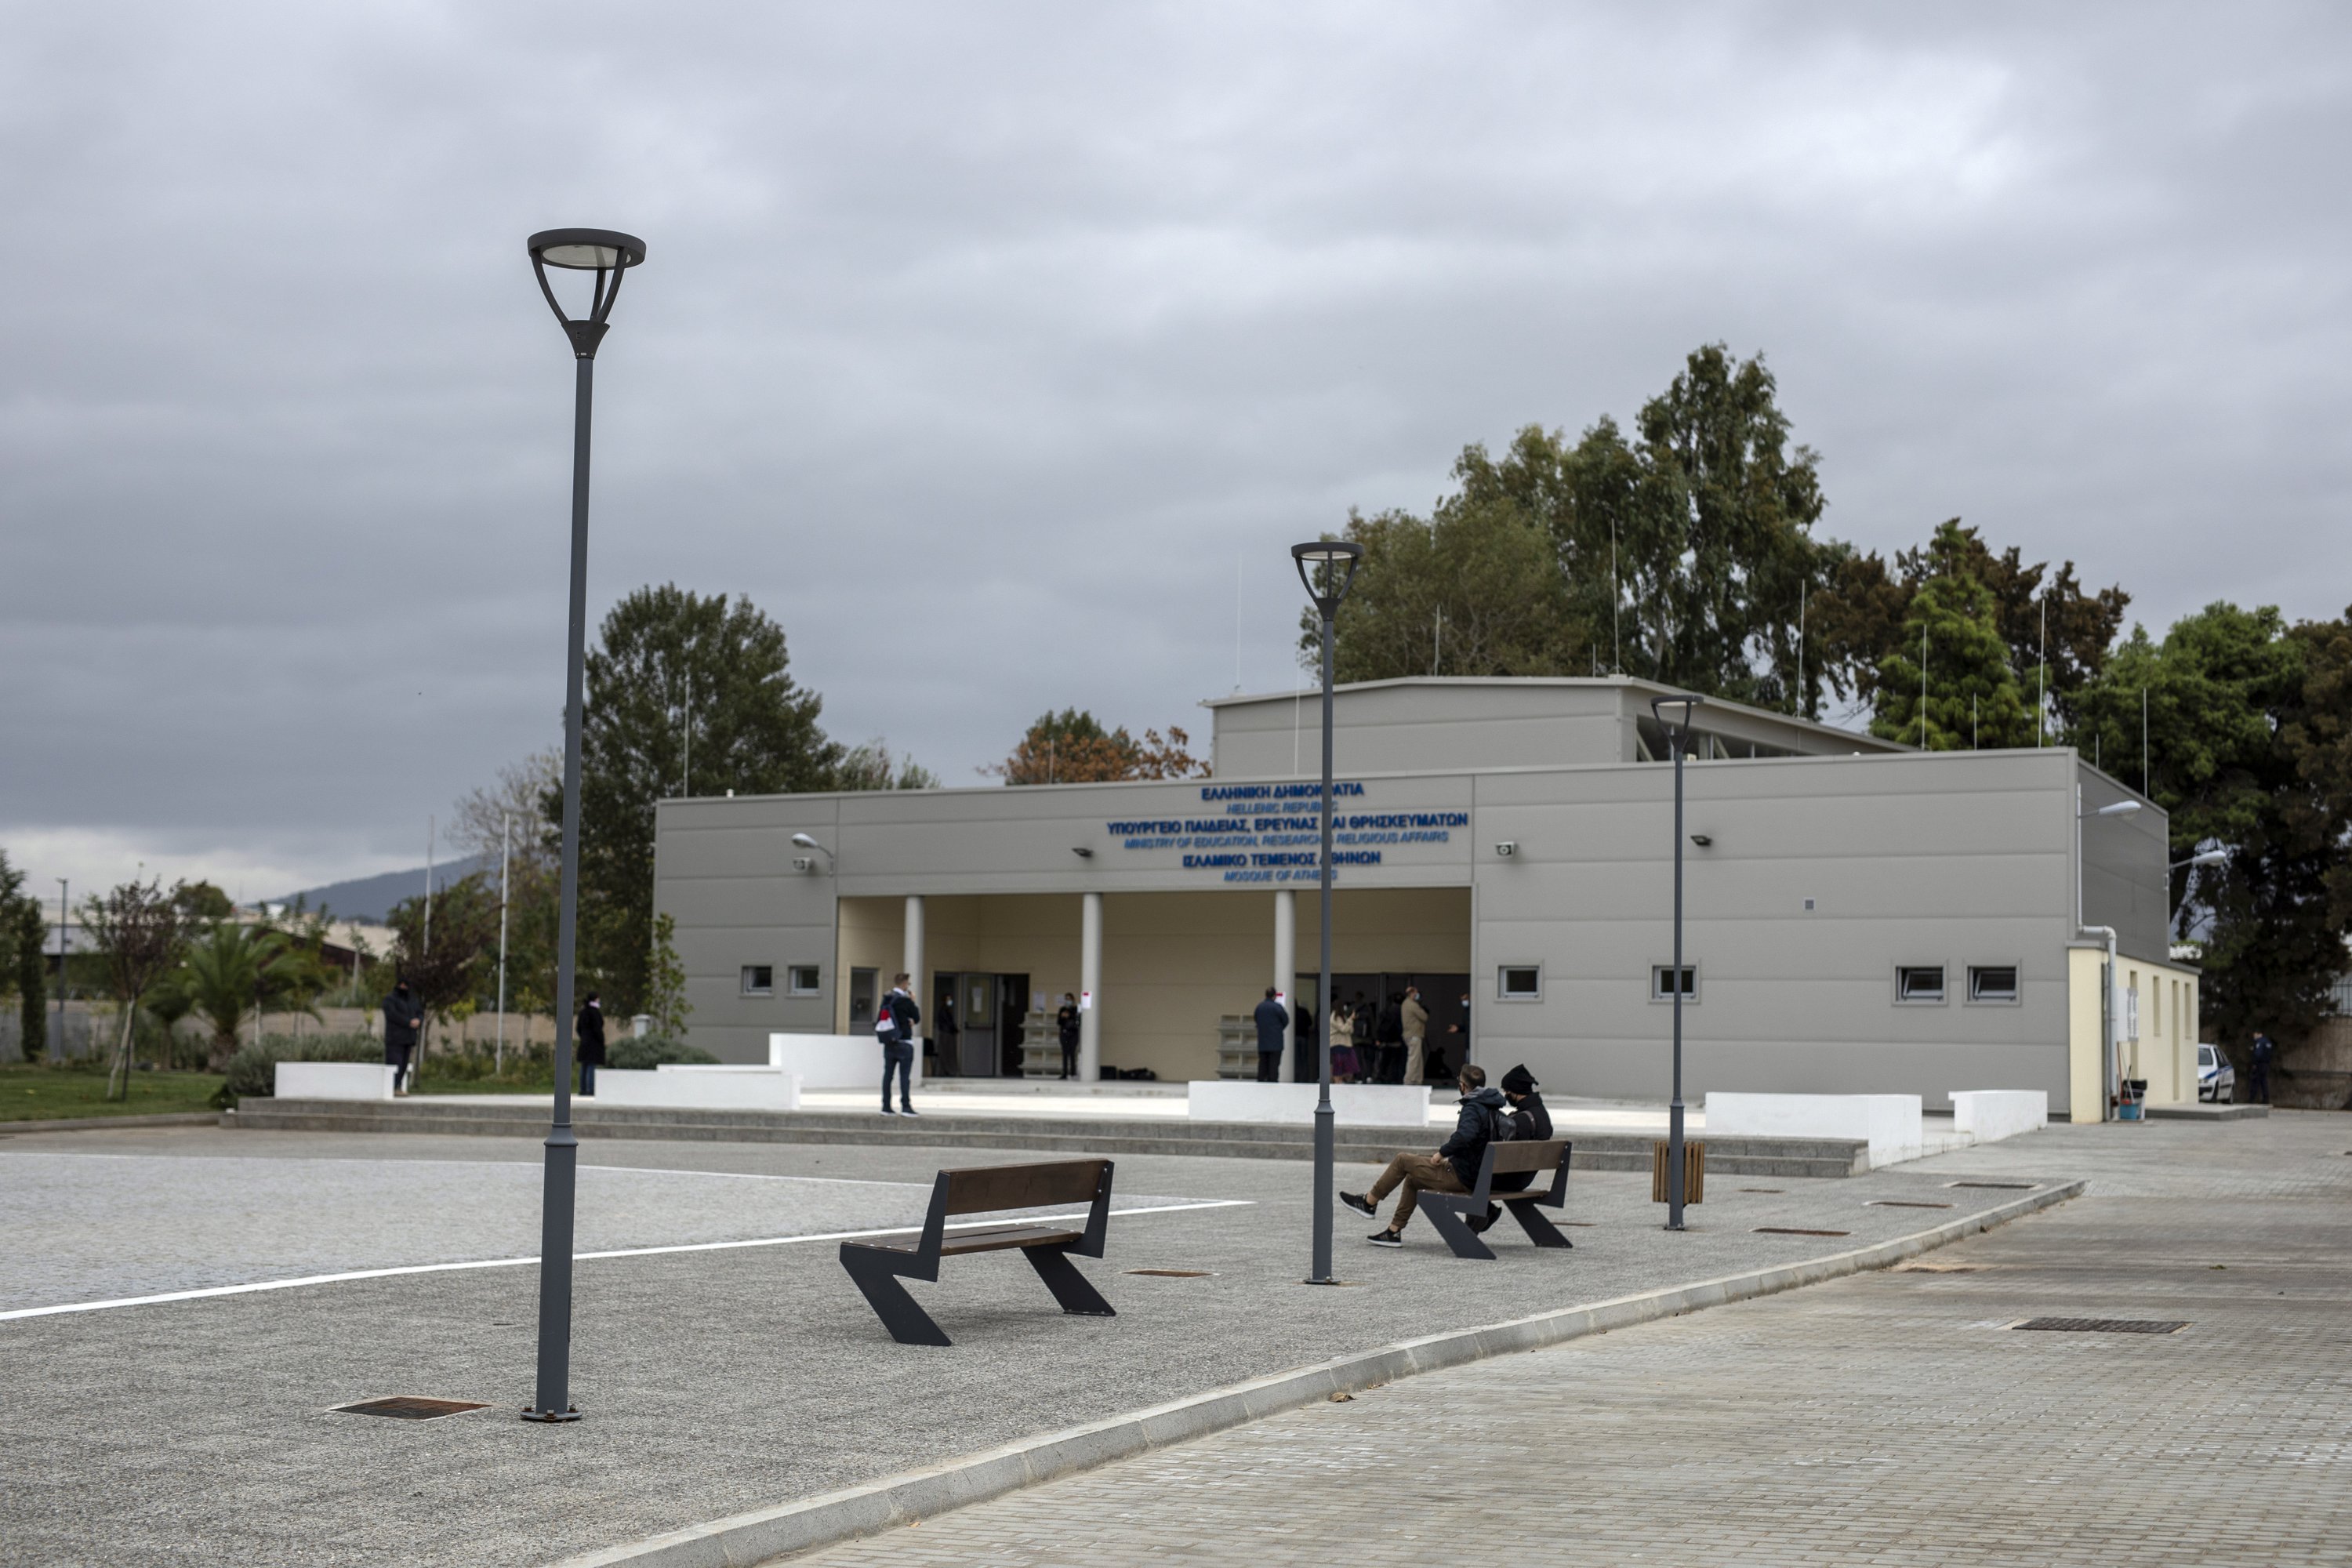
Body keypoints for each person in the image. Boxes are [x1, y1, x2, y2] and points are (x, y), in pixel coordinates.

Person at [1340, 1065, 1508, 1247]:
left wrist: (1442, 1152)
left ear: (1464, 1086)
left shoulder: (1473, 1107)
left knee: (1402, 1160)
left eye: (1459, 1082)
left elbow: (1465, 1136)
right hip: (1477, 1176)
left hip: (1462, 1176)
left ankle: (1369, 1202)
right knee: (1413, 1177)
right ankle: (1393, 1231)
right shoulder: (1491, 1106)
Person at [1469, 1063, 1552, 1234]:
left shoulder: (1520, 1120)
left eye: (1507, 1091)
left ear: (1515, 1091)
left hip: (1512, 1179)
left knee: (1468, 1175)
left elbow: (1500, 1155)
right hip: (1526, 1176)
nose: (1506, 1095)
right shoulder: (1542, 1115)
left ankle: (1477, 1220)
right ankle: (1484, 1213)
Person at [875, 971, 921, 1115]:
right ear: (905, 984)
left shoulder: (886, 999)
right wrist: (912, 1001)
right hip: (904, 1042)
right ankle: (906, 1106)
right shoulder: (905, 1000)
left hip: (889, 1042)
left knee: (888, 1075)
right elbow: (916, 1017)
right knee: (904, 1076)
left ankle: (886, 1106)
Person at [381, 979, 423, 1095]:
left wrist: (418, 1020)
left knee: (404, 1065)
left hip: (408, 1038)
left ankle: (398, 1087)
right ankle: (391, 1087)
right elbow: (392, 1015)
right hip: (394, 1038)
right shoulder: (390, 999)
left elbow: (420, 1012)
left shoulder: (412, 1000)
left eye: (406, 985)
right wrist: (408, 1022)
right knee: (395, 1063)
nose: (404, 987)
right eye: (402, 985)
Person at [1253, 986, 1288, 1081]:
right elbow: (1286, 1020)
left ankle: (1261, 1083)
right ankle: (1272, 1085)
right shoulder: (1278, 1007)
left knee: (1262, 1065)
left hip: (1263, 1041)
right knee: (1274, 1067)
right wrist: (1278, 1029)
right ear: (1274, 996)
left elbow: (1256, 1019)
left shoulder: (1259, 1007)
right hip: (1276, 1042)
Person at [575, 991, 605, 1096]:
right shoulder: (594, 1012)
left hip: (584, 1041)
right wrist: (601, 1039)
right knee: (591, 1065)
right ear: (596, 999)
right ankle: (590, 1089)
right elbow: (597, 1028)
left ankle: (582, 1089)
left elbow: (578, 1028)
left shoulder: (583, 1012)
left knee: (584, 1065)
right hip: (593, 1043)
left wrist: (584, 1036)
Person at [1374, 992, 1406, 1084]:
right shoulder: (1402, 1011)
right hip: (1397, 1040)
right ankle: (1394, 1077)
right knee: (1397, 1060)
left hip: (1386, 1039)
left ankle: (1382, 1076)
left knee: (1385, 1059)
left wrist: (1379, 1038)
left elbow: (1380, 1025)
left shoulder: (1386, 1011)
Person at [1401, 985, 1429, 1085]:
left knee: (1418, 1059)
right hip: (1414, 1035)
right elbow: (1424, 1016)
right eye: (1416, 993)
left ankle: (1417, 1079)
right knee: (1414, 1058)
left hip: (1411, 1035)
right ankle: (1409, 1080)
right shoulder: (1412, 1004)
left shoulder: (1406, 1004)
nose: (1417, 995)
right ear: (1412, 993)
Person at [1327, 1001, 1358, 1083]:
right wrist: (1351, 1019)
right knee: (1339, 1063)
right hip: (1338, 1044)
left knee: (1348, 1064)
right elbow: (1344, 1029)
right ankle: (1337, 1080)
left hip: (1345, 1044)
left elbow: (1350, 1030)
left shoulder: (1343, 1017)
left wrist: (1349, 1021)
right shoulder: (1335, 1017)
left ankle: (1341, 1079)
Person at [1057, 992, 1080, 1079]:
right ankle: (1065, 1073)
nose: (1068, 1001)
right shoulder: (1062, 1009)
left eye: (1069, 999)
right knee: (1065, 1053)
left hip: (1073, 1034)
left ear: (1073, 1000)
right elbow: (1058, 1022)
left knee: (1072, 1053)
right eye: (1066, 999)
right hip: (1064, 1033)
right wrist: (1063, 1017)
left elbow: (1078, 1021)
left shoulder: (1076, 1009)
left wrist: (1069, 1016)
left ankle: (1073, 1072)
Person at [2249, 1032, 2275, 1104]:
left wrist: (2255, 1063)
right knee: (2264, 1082)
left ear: (2259, 1034)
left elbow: (2258, 1054)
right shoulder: (2267, 1042)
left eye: (2255, 1034)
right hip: (2266, 1065)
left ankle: (2252, 1099)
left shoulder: (2260, 1042)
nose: (2254, 1036)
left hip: (2259, 1065)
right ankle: (2265, 1099)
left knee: (2255, 1081)